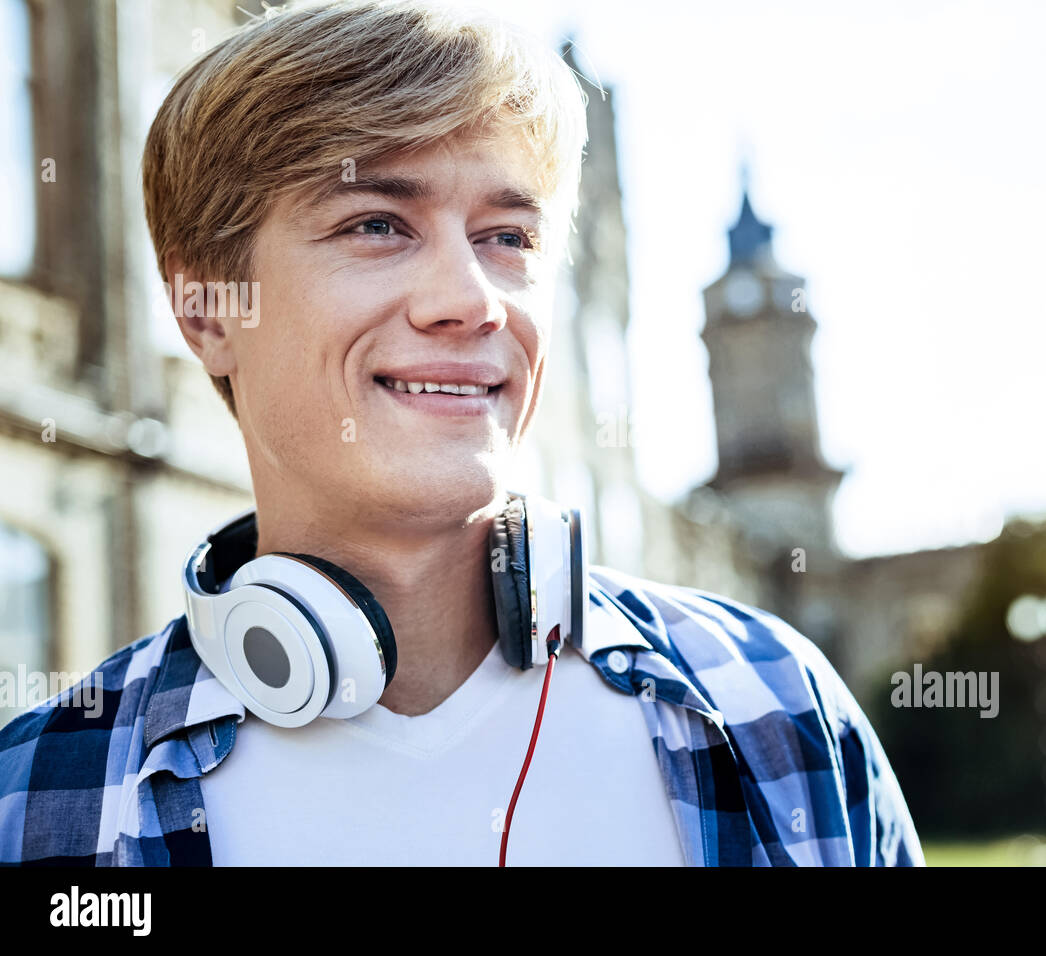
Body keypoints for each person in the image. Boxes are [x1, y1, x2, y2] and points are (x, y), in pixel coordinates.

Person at [0, 0, 923, 867]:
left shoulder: (778, 711)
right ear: (204, 308)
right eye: (376, 224)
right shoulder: (32, 802)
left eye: (508, 238)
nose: (471, 301)